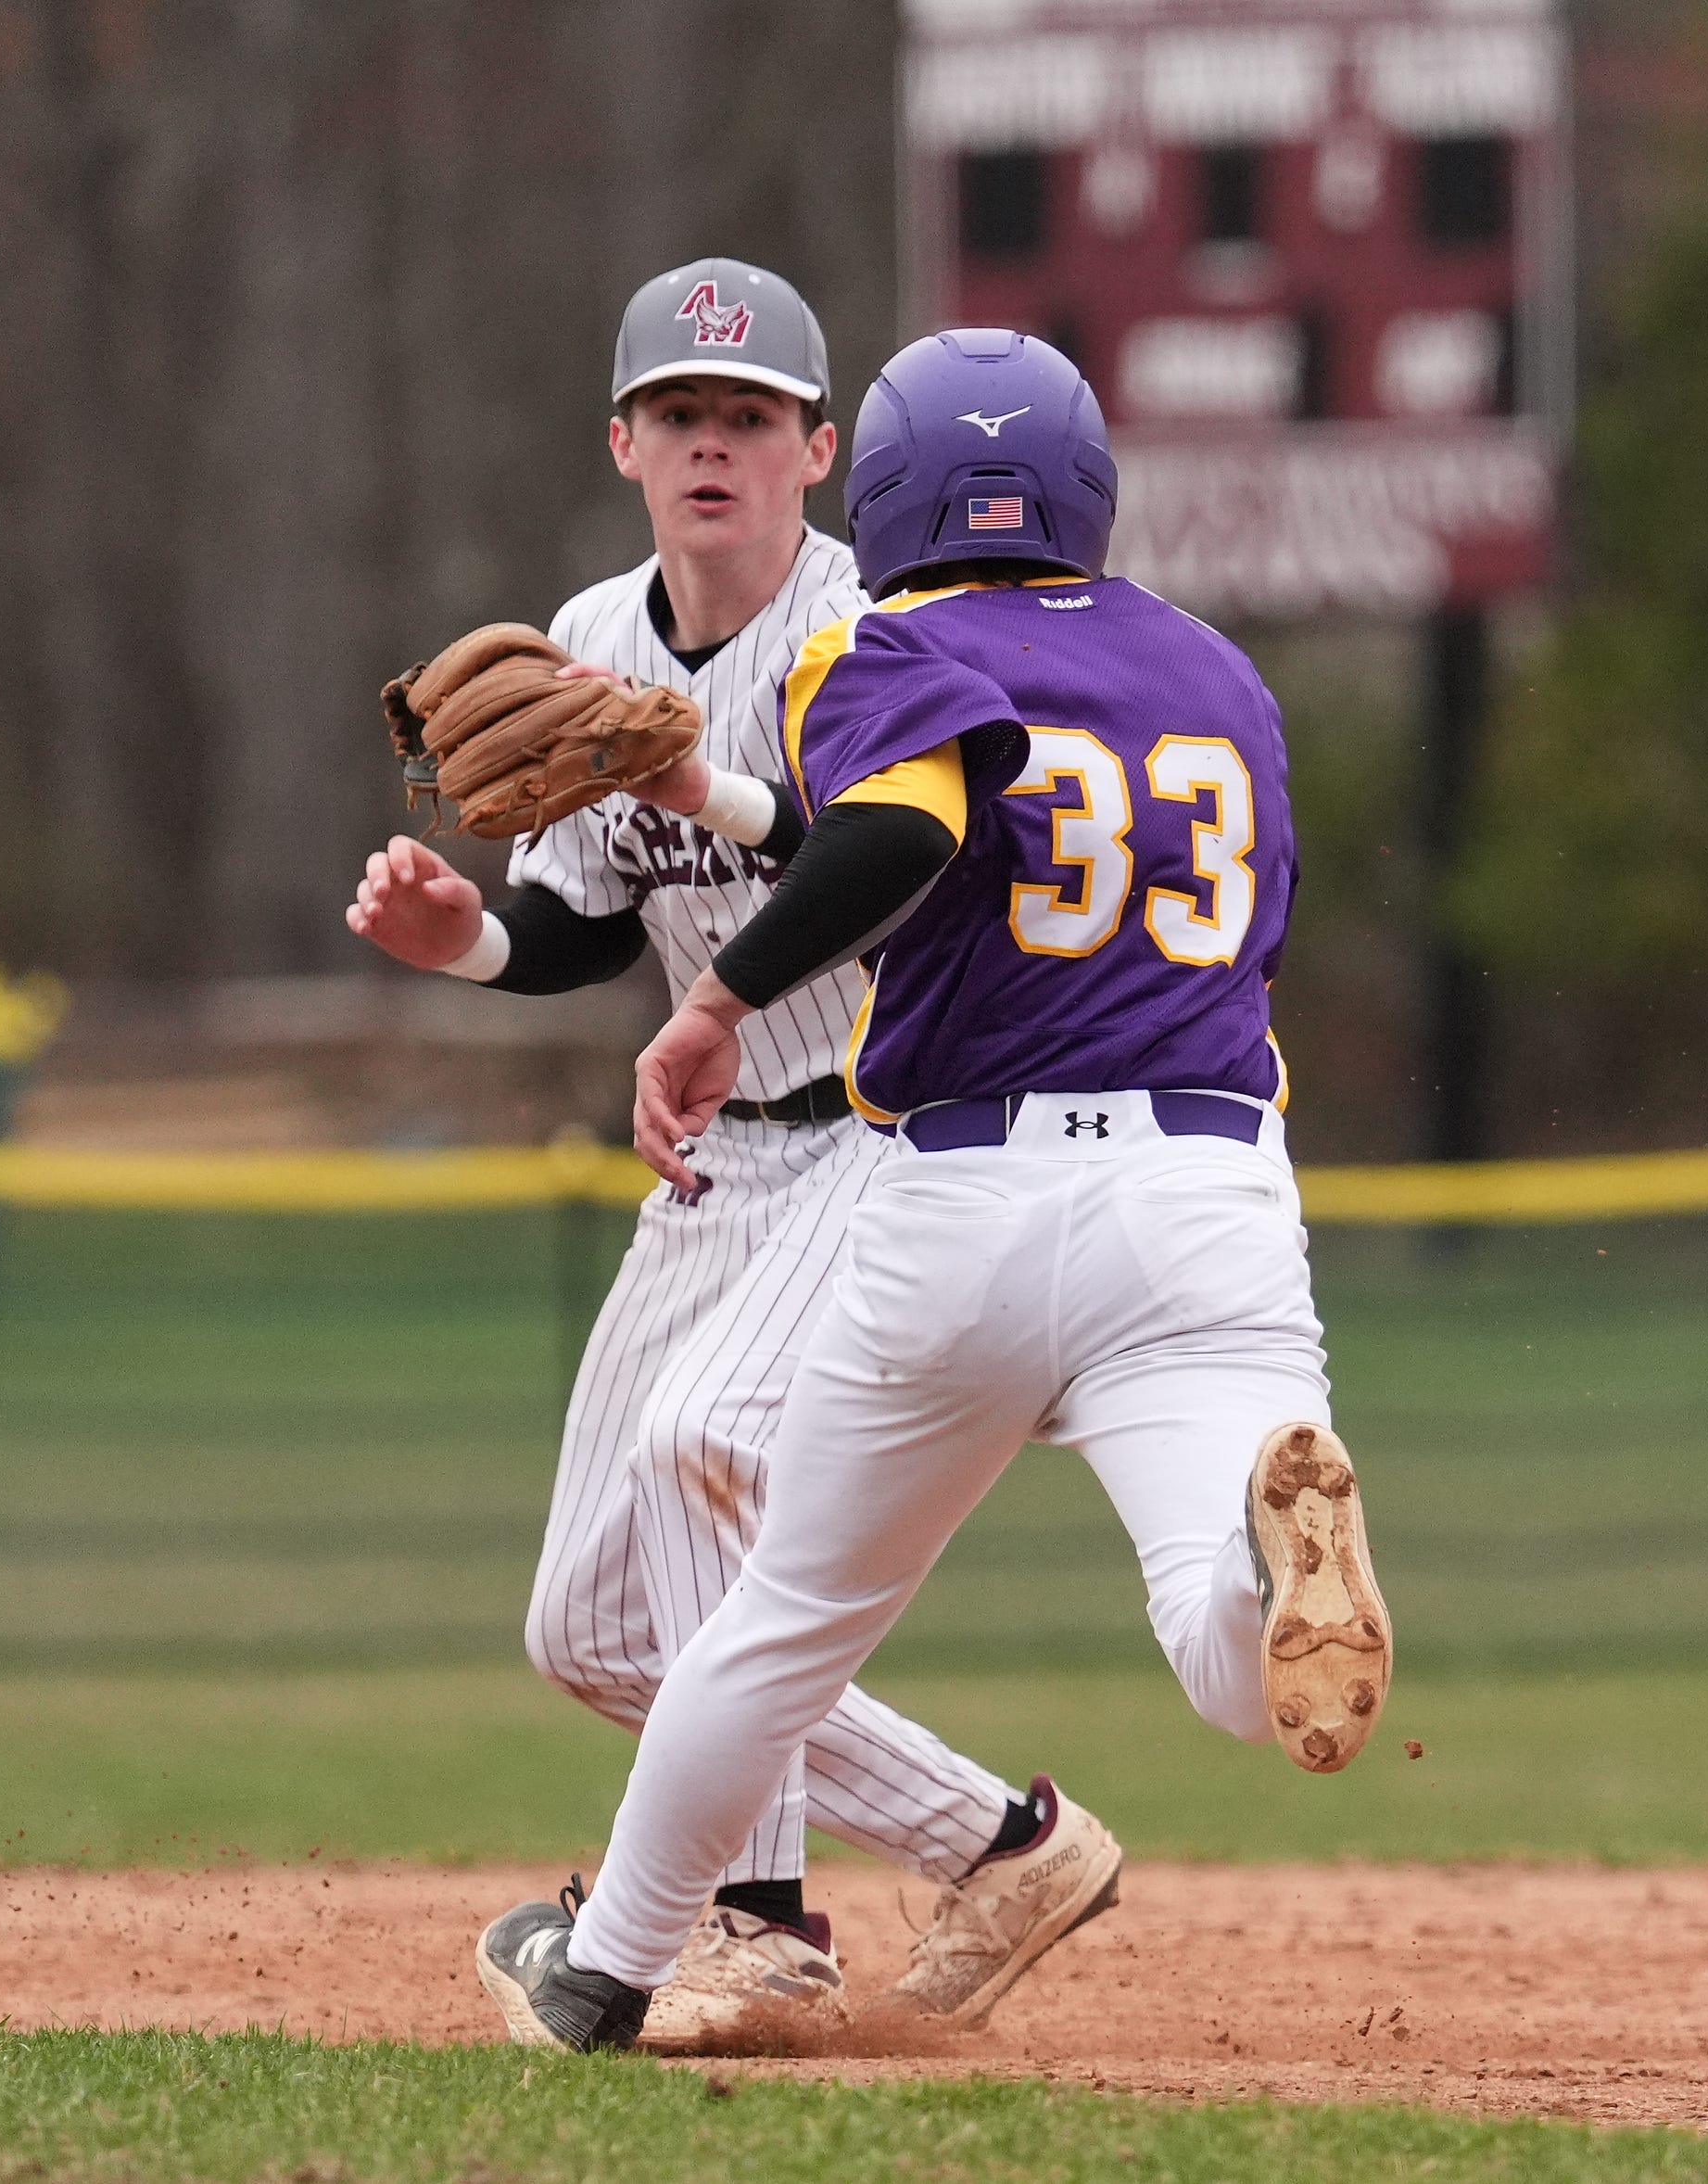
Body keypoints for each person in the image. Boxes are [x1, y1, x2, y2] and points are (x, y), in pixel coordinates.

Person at [472, 327, 1395, 2053]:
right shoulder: (1217, 671)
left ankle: (607, 1976)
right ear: (1090, 489)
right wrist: (722, 797)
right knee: (1217, 1638)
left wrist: (716, 997)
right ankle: (1271, 1576)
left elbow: (902, 832)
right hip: (1205, 1187)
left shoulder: (887, 644)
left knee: (773, 1633)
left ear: (875, 488)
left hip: (966, 1195)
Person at [346, 267, 1120, 2051]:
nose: (716, 440)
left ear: (818, 453)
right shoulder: (594, 640)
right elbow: (577, 927)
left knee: (715, 1447)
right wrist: (464, 938)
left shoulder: (869, 623)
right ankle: (998, 1843)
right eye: (682, 412)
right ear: (623, 443)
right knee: (588, 1630)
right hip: (711, 1166)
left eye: (753, 415)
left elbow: (889, 851)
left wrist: (714, 802)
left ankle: (760, 1925)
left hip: (883, 1126)